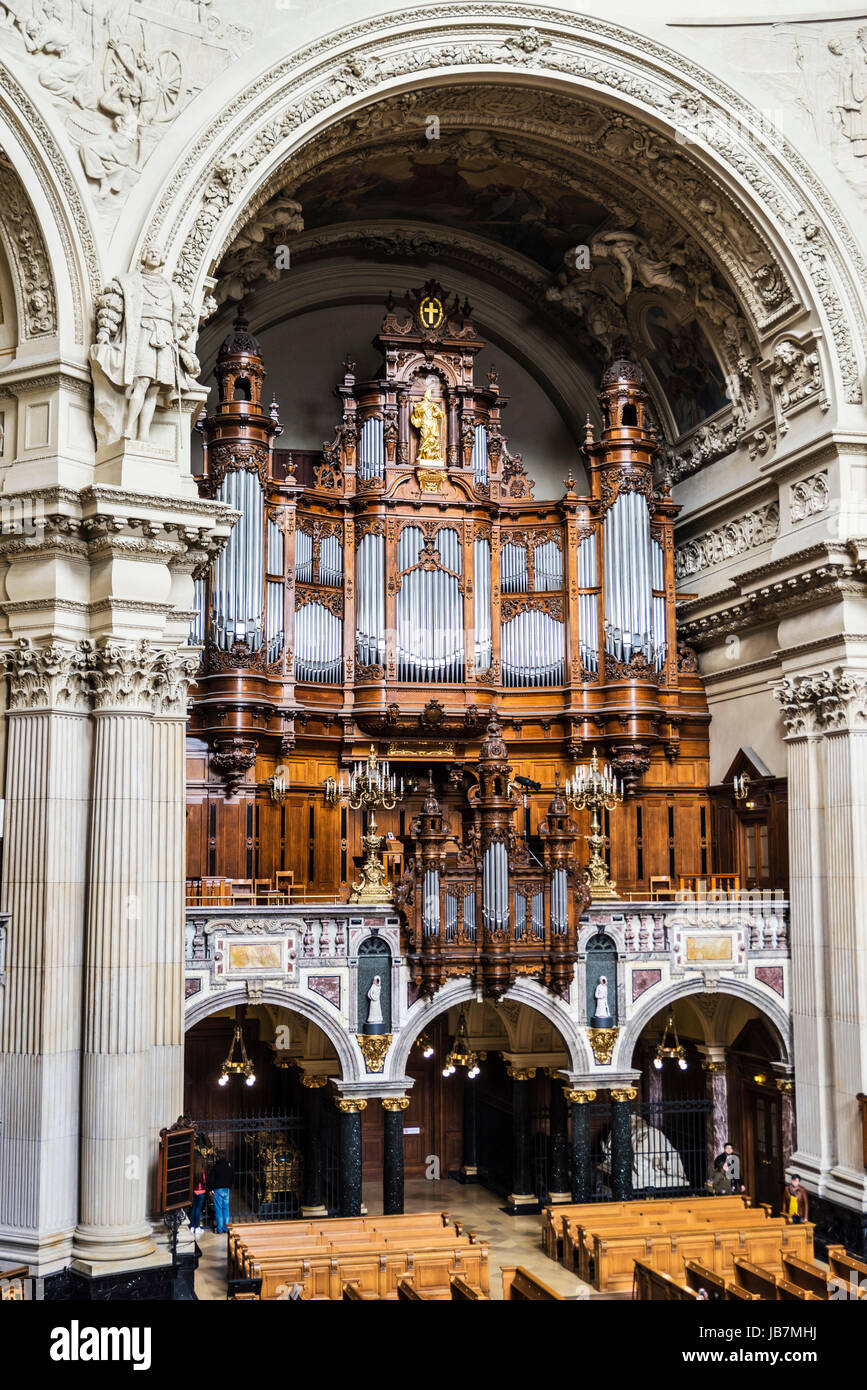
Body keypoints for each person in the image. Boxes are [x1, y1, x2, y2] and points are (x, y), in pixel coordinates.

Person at [208, 1150, 233, 1235]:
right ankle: (226, 1228)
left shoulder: (216, 1166)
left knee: (218, 1210)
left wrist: (210, 1189)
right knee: (226, 1209)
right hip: (226, 1190)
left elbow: (211, 1179)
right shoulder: (229, 1166)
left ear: (218, 1157)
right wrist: (229, 1186)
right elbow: (232, 1177)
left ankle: (219, 1229)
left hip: (218, 1190)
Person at [190, 1158, 207, 1236]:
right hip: (201, 1191)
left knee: (193, 1209)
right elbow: (204, 1181)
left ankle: (191, 1227)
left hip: (194, 1191)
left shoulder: (192, 1170)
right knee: (198, 1209)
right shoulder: (202, 1170)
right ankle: (197, 1227)